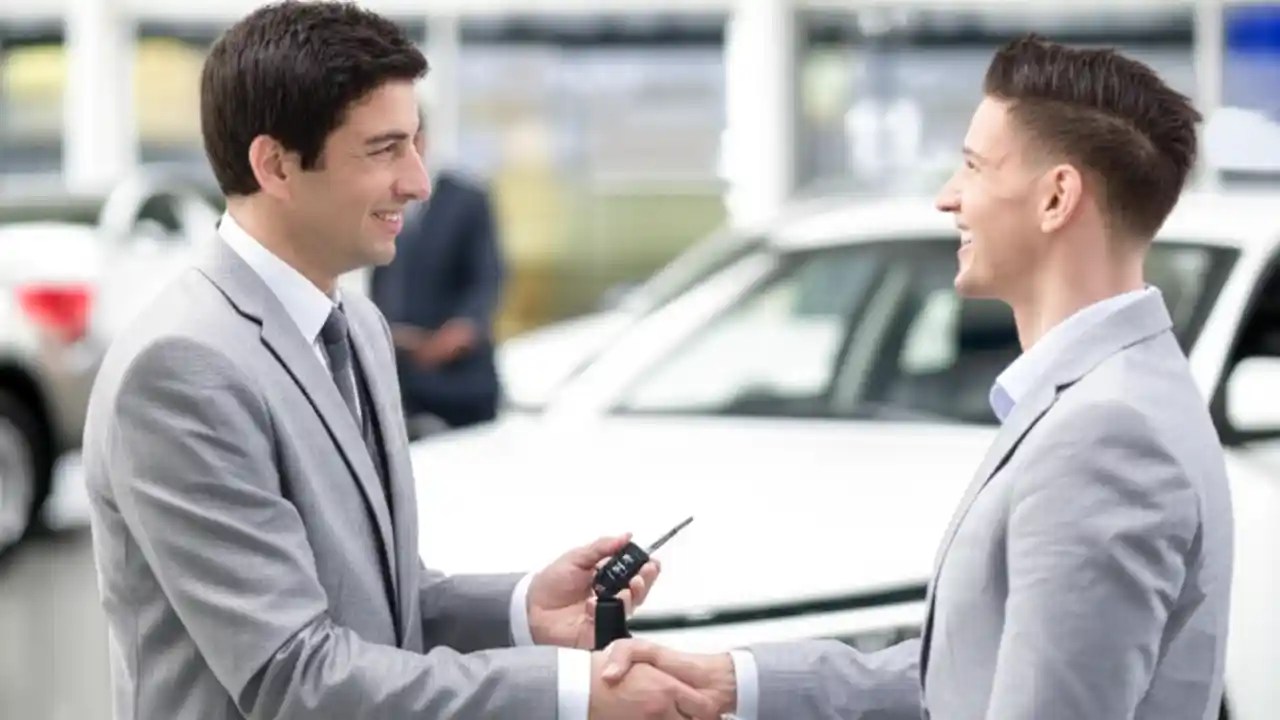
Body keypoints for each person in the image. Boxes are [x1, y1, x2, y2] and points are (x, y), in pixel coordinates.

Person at [81, 4, 720, 719]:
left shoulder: (357, 324)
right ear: (276, 165)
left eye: (415, 143)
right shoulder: (182, 368)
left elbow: (377, 599)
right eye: (385, 149)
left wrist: (522, 611)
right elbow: (295, 676)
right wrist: (577, 695)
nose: (419, 182)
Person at [601, 34, 1234, 720]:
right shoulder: (1113, 395)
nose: (947, 198)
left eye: (973, 167)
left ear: (1056, 198)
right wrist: (728, 681)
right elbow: (969, 670)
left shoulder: (1107, 433)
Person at [371, 112, 504, 432]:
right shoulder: (375, 201)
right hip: (399, 367)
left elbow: (487, 275)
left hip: (457, 372)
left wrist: (460, 330)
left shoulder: (465, 200)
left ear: (422, 140)